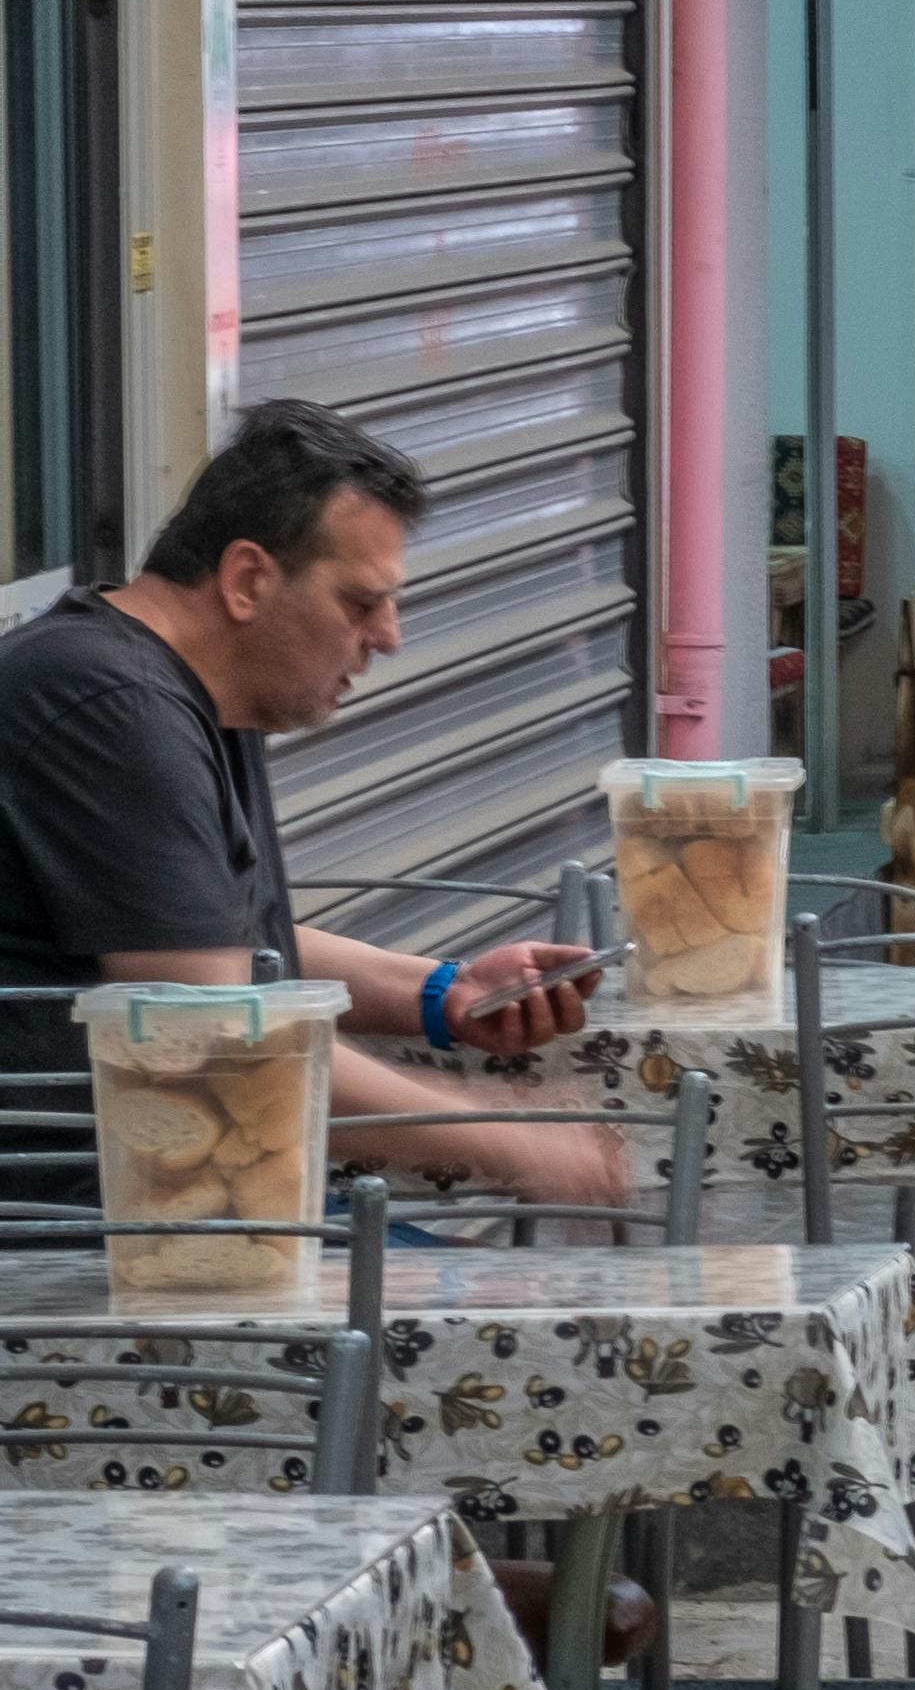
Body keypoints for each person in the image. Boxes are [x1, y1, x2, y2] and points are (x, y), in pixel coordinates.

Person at [0, 402, 626, 1198]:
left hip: (183, 1213)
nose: (390, 637)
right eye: (361, 605)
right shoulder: (109, 704)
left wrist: (442, 995)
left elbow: (214, 941)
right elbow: (223, 1040)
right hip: (73, 1243)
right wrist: (520, 1142)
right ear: (249, 580)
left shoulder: (189, 694)